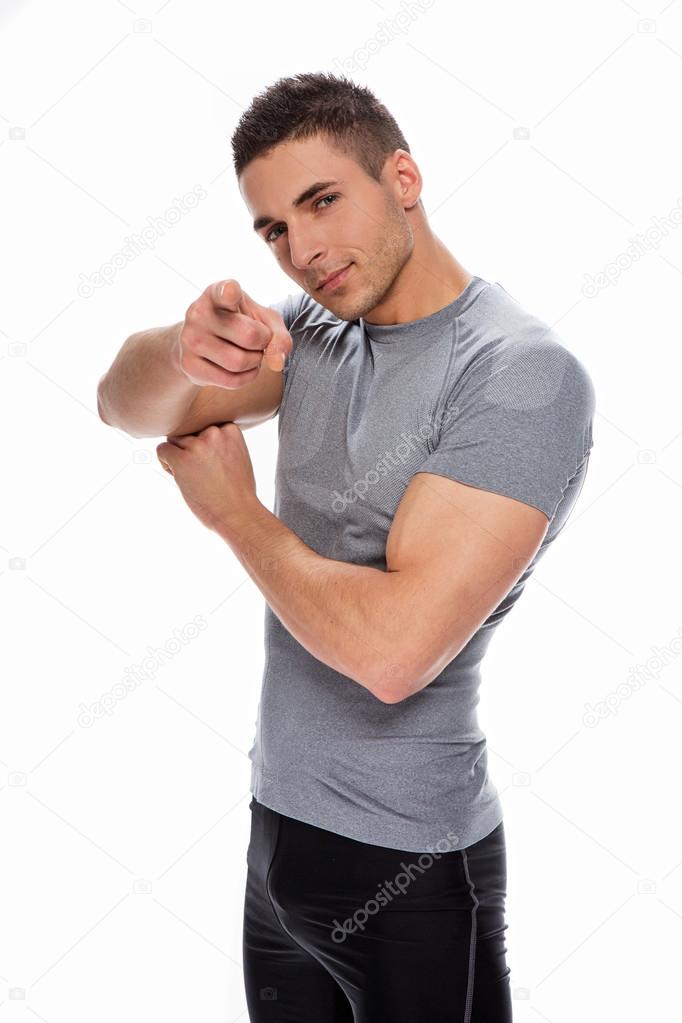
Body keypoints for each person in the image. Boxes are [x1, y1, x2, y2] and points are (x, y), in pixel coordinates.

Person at [97, 71, 595, 1022]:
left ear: (402, 175)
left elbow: (394, 653)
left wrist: (235, 513)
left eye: (323, 201)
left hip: (410, 872)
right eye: (275, 229)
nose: (303, 249)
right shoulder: (317, 334)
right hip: (279, 847)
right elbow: (120, 406)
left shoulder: (518, 374)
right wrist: (181, 348)